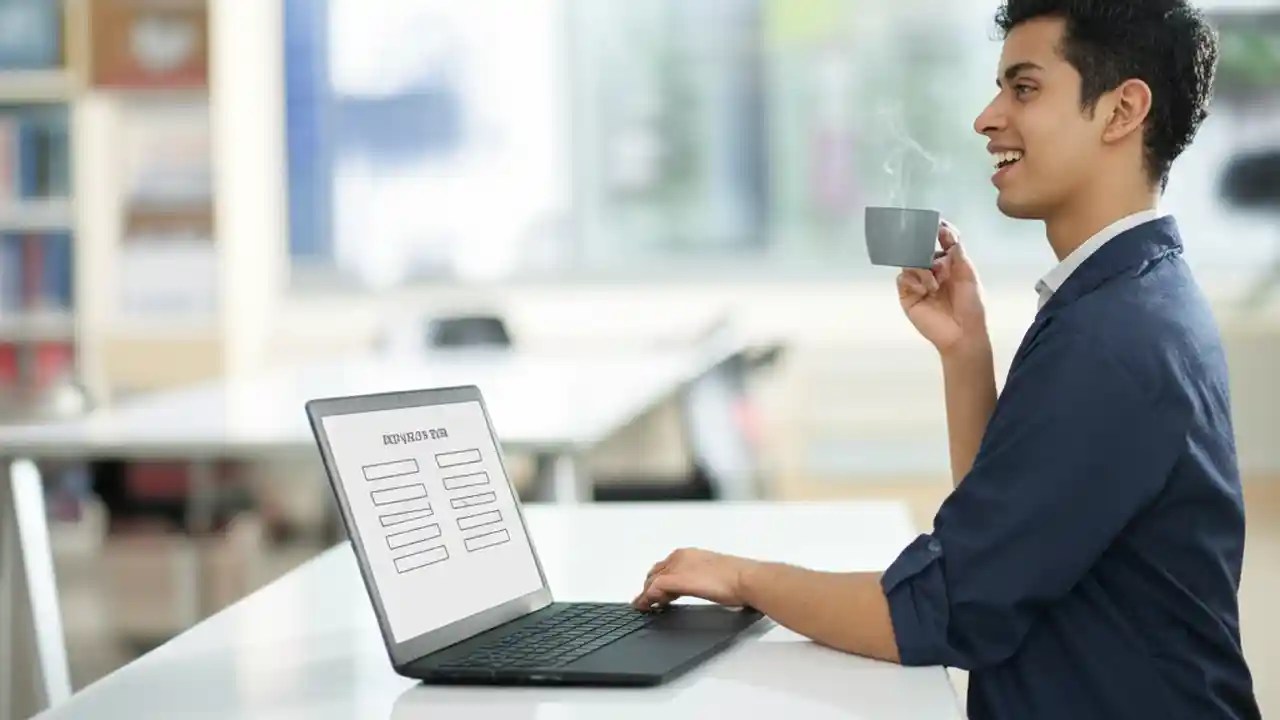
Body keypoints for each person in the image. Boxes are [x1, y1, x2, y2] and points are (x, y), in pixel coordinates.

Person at [632, 1, 1261, 717]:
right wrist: (966, 352)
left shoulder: (1112, 337)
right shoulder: (1134, 295)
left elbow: (946, 607)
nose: (987, 118)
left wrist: (743, 578)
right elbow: (1007, 537)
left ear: (1122, 111)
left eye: (1024, 88)